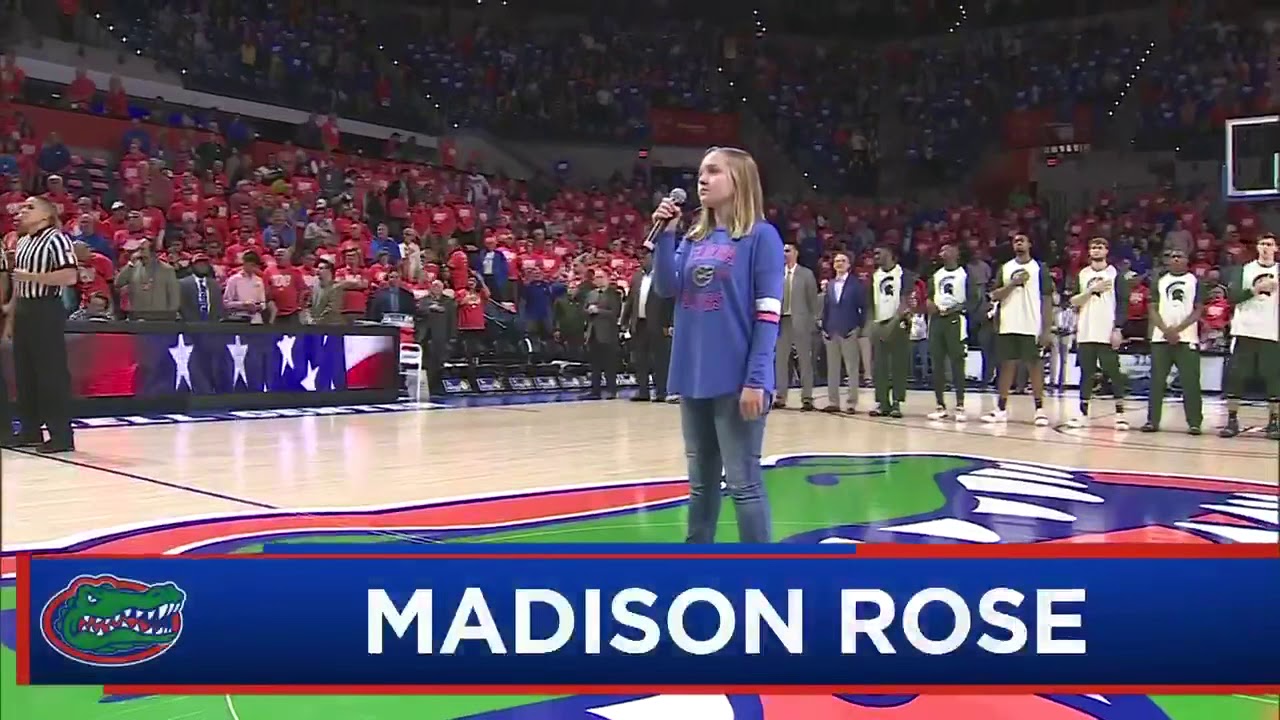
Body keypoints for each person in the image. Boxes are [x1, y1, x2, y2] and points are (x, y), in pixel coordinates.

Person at [651, 147, 784, 544]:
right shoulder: (693, 237)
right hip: (693, 373)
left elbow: (768, 315)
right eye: (700, 173)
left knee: (743, 484)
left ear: (738, 181)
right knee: (700, 486)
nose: (702, 179)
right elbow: (666, 287)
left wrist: (757, 378)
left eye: (713, 171)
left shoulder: (762, 237)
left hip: (737, 378)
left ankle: (759, 578)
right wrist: (665, 239)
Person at [3, 197, 78, 452]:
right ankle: (30, 430)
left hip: (46, 308)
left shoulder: (56, 238)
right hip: (24, 308)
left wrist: (32, 276)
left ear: (46, 216)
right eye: (23, 207)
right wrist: (11, 317)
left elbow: (70, 276)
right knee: (25, 374)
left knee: (50, 373)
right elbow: (18, 285)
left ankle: (60, 435)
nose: (23, 210)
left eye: (30, 207)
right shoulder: (22, 241)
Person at [982, 234, 1054, 426]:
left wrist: (1047, 328)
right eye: (1015, 241)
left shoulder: (1040, 268)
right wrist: (1013, 284)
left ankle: (1039, 410)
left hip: (1032, 324)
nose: (1019, 243)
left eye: (1022, 240)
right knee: (1006, 366)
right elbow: (994, 295)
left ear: (1030, 244)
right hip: (1007, 324)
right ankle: (1001, 408)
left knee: (1035, 366)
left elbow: (1047, 299)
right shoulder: (1005, 268)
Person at [1220, 232, 1279, 440]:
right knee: (1236, 376)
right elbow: (1233, 297)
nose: (1265, 247)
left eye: (1269, 244)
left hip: (1272, 332)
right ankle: (1232, 420)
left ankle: (1274, 422)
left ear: (1276, 249)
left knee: (1274, 379)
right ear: (1257, 247)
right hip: (1244, 330)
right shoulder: (1244, 270)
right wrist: (1255, 289)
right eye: (1262, 243)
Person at [1067, 237, 1130, 430]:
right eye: (1093, 247)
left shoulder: (1115, 274)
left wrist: (1118, 328)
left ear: (1106, 251)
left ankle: (1120, 414)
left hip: (1106, 330)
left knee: (1113, 373)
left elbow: (1122, 303)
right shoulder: (1082, 274)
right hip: (1086, 330)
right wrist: (1092, 290)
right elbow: (1074, 301)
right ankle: (1083, 413)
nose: (1096, 250)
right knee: (1086, 374)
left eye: (1100, 247)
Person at [1142, 247, 1204, 435]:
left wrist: (1177, 330)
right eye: (1172, 256)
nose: (1175, 259)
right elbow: (1152, 308)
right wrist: (1165, 330)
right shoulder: (1159, 281)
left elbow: (1198, 310)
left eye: (1180, 256)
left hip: (1187, 339)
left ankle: (1194, 423)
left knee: (1190, 382)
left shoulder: (1195, 281)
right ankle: (1152, 421)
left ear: (1187, 260)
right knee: (1156, 382)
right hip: (1161, 339)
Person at [925, 242, 978, 421]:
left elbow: (973, 300)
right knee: (937, 363)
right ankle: (940, 405)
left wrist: (956, 308)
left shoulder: (965, 274)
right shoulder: (936, 275)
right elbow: (929, 296)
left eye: (946, 249)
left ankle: (960, 404)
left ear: (956, 253)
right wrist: (929, 304)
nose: (942, 252)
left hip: (956, 320)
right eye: (941, 249)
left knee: (957, 362)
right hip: (937, 320)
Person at [867, 244, 916, 418]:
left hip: (899, 322)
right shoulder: (874, 276)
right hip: (879, 323)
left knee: (898, 365)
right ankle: (882, 402)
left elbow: (907, 300)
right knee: (879, 366)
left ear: (891, 254)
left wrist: (895, 321)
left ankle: (896, 402)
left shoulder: (905, 275)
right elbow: (870, 302)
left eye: (879, 252)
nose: (876, 255)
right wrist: (872, 324)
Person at [620, 249, 674, 402]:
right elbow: (630, 300)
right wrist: (624, 321)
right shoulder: (637, 277)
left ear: (653, 258)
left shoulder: (662, 276)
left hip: (658, 323)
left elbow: (670, 301)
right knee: (640, 360)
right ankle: (643, 391)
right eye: (640, 258)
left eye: (645, 257)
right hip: (639, 323)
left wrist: (668, 323)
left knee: (659, 360)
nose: (642, 260)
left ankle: (661, 392)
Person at [773, 242, 819, 410]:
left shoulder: (806, 274)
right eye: (783, 251)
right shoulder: (777, 274)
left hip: (801, 320)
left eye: (788, 250)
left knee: (805, 360)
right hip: (782, 320)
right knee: (781, 360)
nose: (784, 254)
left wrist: (814, 320)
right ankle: (780, 396)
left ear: (796, 253)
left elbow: (813, 300)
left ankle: (807, 397)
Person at [819, 251, 866, 414]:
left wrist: (858, 327)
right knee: (832, 368)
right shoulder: (830, 284)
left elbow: (863, 308)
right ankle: (833, 402)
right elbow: (826, 308)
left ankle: (851, 402)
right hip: (831, 330)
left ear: (849, 265)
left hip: (849, 330)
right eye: (837, 261)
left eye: (842, 261)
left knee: (852, 368)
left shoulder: (856, 284)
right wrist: (824, 327)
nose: (839, 263)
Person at [583, 269, 622, 400]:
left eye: (601, 277)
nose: (598, 279)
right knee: (595, 365)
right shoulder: (590, 294)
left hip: (608, 333)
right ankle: (595, 391)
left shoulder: (614, 294)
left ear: (607, 278)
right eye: (596, 277)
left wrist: (598, 311)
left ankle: (612, 390)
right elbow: (584, 310)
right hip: (593, 333)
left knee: (609, 364)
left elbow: (615, 313)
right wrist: (588, 311)